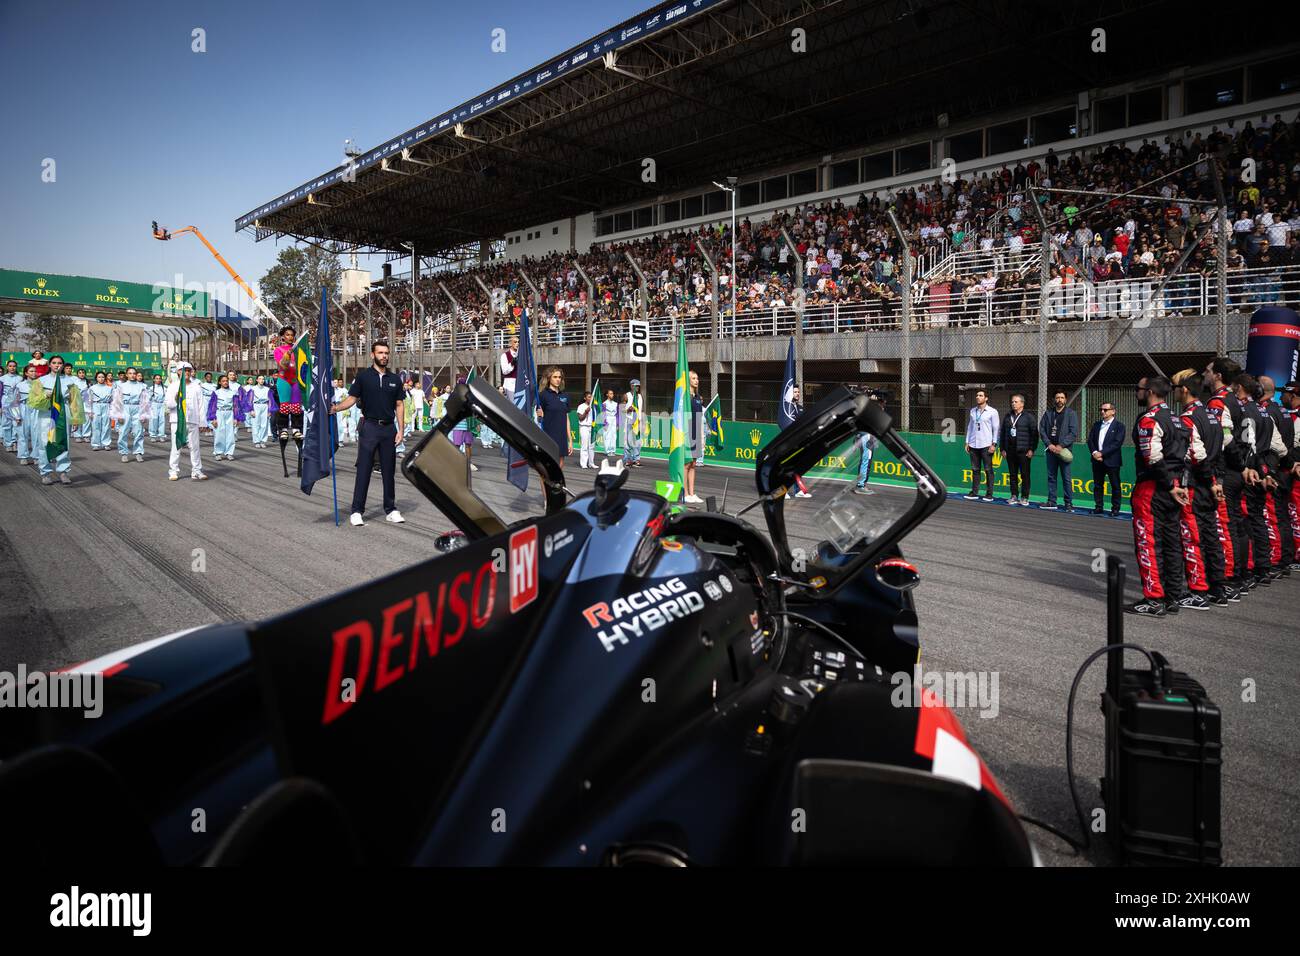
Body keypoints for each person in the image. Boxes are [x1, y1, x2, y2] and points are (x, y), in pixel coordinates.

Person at [1128, 376, 1193, 615]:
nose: (1137, 393)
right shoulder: (1178, 419)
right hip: (1175, 487)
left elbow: (1152, 458)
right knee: (1172, 543)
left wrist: (1168, 485)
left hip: (1153, 488)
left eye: (1138, 389)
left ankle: (1154, 599)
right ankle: (1172, 596)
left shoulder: (1150, 419)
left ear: (1150, 392)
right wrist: (1180, 485)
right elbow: (1189, 456)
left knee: (1147, 542)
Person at [1170, 369, 1230, 606]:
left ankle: (1198, 591)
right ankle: (1218, 588)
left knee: (1192, 539)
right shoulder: (1211, 415)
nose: (1173, 392)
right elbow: (1223, 450)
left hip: (1196, 486)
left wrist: (1211, 480)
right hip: (1210, 485)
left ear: (1184, 390)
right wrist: (1217, 480)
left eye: (1175, 388)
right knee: (1211, 537)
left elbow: (1196, 454)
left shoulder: (1188, 417)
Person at [330, 341, 405, 526]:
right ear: (372, 355)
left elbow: (399, 405)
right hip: (369, 427)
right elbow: (351, 399)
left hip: (389, 429)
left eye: (386, 353)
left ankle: (391, 509)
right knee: (364, 470)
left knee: (388, 471)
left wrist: (401, 430)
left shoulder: (395, 379)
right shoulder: (363, 377)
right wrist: (336, 408)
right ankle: (357, 511)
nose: (384, 356)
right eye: (380, 353)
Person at [1204, 357, 1253, 592]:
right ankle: (1239, 574)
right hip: (1237, 468)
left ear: (1218, 376)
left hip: (1227, 470)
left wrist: (1240, 466)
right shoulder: (1238, 401)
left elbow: (1224, 438)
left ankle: (1229, 578)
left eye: (1208, 370)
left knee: (1225, 525)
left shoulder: (1220, 401)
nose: (1204, 374)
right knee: (1235, 523)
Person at [1257, 375, 1296, 575]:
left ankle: (1277, 560)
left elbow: (1276, 445)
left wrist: (1270, 470)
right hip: (1284, 470)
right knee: (1281, 516)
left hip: (1274, 470)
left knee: (1273, 517)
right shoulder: (1283, 411)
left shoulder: (1267, 411)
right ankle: (1285, 558)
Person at [33, 355, 79, 485]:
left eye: (59, 363)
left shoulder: (70, 381)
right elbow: (33, 401)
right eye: (54, 363)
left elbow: (74, 401)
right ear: (49, 365)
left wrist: (75, 418)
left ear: (63, 365)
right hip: (46, 414)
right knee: (44, 443)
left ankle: (63, 471)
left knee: (63, 442)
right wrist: (44, 396)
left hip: (63, 413)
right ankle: (45, 473)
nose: (57, 365)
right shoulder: (41, 381)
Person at [1039, 389, 1079, 511]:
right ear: (1054, 399)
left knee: (1066, 478)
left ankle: (1068, 503)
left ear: (1065, 400)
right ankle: (1052, 502)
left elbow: (1073, 433)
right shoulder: (1048, 413)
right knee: (1051, 477)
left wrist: (1061, 445)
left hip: (1063, 451)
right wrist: (1049, 444)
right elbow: (1042, 429)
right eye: (1057, 397)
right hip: (1051, 450)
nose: (1059, 400)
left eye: (1062, 397)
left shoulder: (1071, 414)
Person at [166, 362, 206, 481]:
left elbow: (201, 405)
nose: (187, 373)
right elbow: (168, 404)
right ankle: (173, 471)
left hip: (193, 420)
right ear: (178, 372)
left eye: (189, 370)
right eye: (184, 370)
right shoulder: (173, 386)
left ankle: (197, 471)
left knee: (195, 447)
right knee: (176, 447)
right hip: (177, 421)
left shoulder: (196, 386)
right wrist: (175, 400)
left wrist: (202, 422)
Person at [1087, 400, 1125, 515]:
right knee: (1098, 485)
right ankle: (1099, 507)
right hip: (1097, 460)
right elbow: (1090, 440)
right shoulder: (1096, 425)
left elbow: (1117, 443)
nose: (1102, 412)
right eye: (1101, 410)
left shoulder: (1119, 426)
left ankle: (1115, 509)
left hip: (1112, 460)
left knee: (1115, 485)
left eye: (1105, 410)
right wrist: (1095, 453)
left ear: (1113, 411)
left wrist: (1102, 453)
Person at [999, 392, 1038, 506]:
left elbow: (1034, 435)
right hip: (1010, 451)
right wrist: (1002, 448)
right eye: (1012, 402)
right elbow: (1003, 433)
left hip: (1024, 451)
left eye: (1016, 402)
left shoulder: (1029, 417)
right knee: (1012, 474)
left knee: (1025, 475)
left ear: (1022, 403)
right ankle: (1014, 495)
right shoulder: (1008, 416)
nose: (1013, 404)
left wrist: (1031, 449)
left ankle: (1025, 497)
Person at [1277, 381, 1300, 569]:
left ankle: (1297, 555)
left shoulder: (1296, 416)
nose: (1281, 396)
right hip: (1291, 469)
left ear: (1292, 395)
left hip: (1294, 471)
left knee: (1294, 511)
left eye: (1284, 393)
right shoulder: (1289, 414)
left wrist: (1293, 462)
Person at [962, 389, 1000, 501]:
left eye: (981, 395)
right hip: (973, 444)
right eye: (977, 395)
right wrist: (967, 442)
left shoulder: (992, 411)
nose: (978, 397)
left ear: (986, 398)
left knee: (988, 469)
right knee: (975, 469)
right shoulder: (973, 411)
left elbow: (996, 429)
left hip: (986, 445)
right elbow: (970, 427)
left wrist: (994, 444)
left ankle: (989, 494)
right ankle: (974, 492)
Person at [111, 367, 150, 463]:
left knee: (139, 432)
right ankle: (124, 453)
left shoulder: (142, 386)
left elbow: (145, 402)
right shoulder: (121, 386)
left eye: (134, 373)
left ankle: (138, 452)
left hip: (138, 408)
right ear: (127, 375)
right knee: (123, 431)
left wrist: (144, 415)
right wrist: (119, 415)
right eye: (130, 373)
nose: (132, 375)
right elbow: (117, 401)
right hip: (125, 408)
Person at [538, 366, 572, 468]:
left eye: (559, 377)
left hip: (561, 436)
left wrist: (570, 440)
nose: (558, 379)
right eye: (555, 377)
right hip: (548, 435)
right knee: (546, 468)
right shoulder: (543, 395)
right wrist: (539, 415)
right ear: (549, 378)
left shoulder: (565, 396)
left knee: (559, 466)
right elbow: (538, 418)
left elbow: (567, 418)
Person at [684, 370, 709, 503]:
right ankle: (685, 494)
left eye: (697, 378)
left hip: (696, 432)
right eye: (693, 378)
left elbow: (699, 418)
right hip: (687, 432)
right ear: (688, 380)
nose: (696, 380)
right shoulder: (685, 397)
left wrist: (701, 436)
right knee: (687, 464)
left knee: (693, 464)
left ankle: (692, 494)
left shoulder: (698, 397)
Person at [207, 373, 245, 461]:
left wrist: (236, 418)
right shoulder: (216, 392)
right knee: (219, 433)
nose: (225, 382)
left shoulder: (233, 393)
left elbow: (236, 406)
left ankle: (229, 452)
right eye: (223, 381)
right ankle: (218, 452)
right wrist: (213, 418)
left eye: (226, 381)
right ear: (219, 382)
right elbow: (212, 406)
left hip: (230, 413)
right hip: (219, 413)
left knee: (230, 434)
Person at [10, 363, 39, 465]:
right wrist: (16, 415)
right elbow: (14, 401)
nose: (34, 373)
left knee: (37, 434)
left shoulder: (40, 385)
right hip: (24, 408)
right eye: (31, 371)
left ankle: (36, 456)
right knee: (23, 434)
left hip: (36, 409)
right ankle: (23, 456)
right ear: (26, 373)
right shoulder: (20, 385)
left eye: (35, 371)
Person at [447, 376, 475, 469]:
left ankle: (468, 463)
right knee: (457, 445)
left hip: (468, 425)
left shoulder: (470, 395)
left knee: (468, 444)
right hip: (458, 425)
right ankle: (455, 463)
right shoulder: (455, 395)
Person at [0, 358, 20, 451]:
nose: (12, 368)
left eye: (14, 366)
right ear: (7, 367)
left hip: (16, 403)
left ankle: (14, 441)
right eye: (10, 366)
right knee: (6, 423)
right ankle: (8, 443)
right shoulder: (2, 379)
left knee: (16, 423)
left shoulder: (20, 378)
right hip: (5, 401)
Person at [623, 379, 643, 468]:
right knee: (628, 441)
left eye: (638, 386)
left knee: (637, 441)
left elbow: (641, 409)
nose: (638, 387)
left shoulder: (640, 396)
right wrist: (628, 409)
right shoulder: (626, 396)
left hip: (637, 421)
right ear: (631, 386)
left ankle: (636, 459)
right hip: (629, 421)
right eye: (636, 386)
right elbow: (621, 409)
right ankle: (627, 459)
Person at [249, 375, 272, 447]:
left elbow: (270, 400)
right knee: (256, 424)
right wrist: (251, 410)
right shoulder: (253, 389)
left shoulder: (267, 389)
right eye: (260, 379)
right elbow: (250, 400)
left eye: (263, 379)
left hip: (265, 406)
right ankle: (257, 441)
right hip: (256, 406)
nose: (262, 380)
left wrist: (269, 411)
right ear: (257, 380)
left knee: (264, 425)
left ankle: (263, 441)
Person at [853, 429, 878, 495]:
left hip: (864, 435)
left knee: (864, 462)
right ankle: (860, 486)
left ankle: (861, 485)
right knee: (866, 462)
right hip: (867, 436)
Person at [147, 373, 168, 443]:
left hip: (162, 404)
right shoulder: (151, 388)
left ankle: (161, 435)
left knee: (162, 420)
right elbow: (148, 398)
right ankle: (153, 435)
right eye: (157, 378)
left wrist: (166, 407)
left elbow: (166, 398)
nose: (158, 380)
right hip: (154, 404)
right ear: (154, 380)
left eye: (159, 379)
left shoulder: (164, 388)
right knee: (153, 420)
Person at [576, 390, 595, 468]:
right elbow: (580, 418)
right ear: (585, 398)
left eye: (591, 397)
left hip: (591, 427)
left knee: (591, 446)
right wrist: (586, 412)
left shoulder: (593, 407)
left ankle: (591, 463)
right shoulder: (581, 406)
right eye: (589, 397)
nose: (591, 398)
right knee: (584, 446)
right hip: (584, 427)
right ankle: (583, 464)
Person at [601, 388, 619, 456]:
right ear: (607, 395)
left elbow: (617, 414)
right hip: (607, 419)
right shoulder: (604, 403)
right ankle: (607, 451)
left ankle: (613, 450)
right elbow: (603, 413)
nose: (612, 395)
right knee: (607, 435)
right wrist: (605, 422)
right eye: (610, 393)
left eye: (612, 393)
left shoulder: (616, 404)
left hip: (614, 419)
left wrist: (617, 424)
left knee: (614, 436)